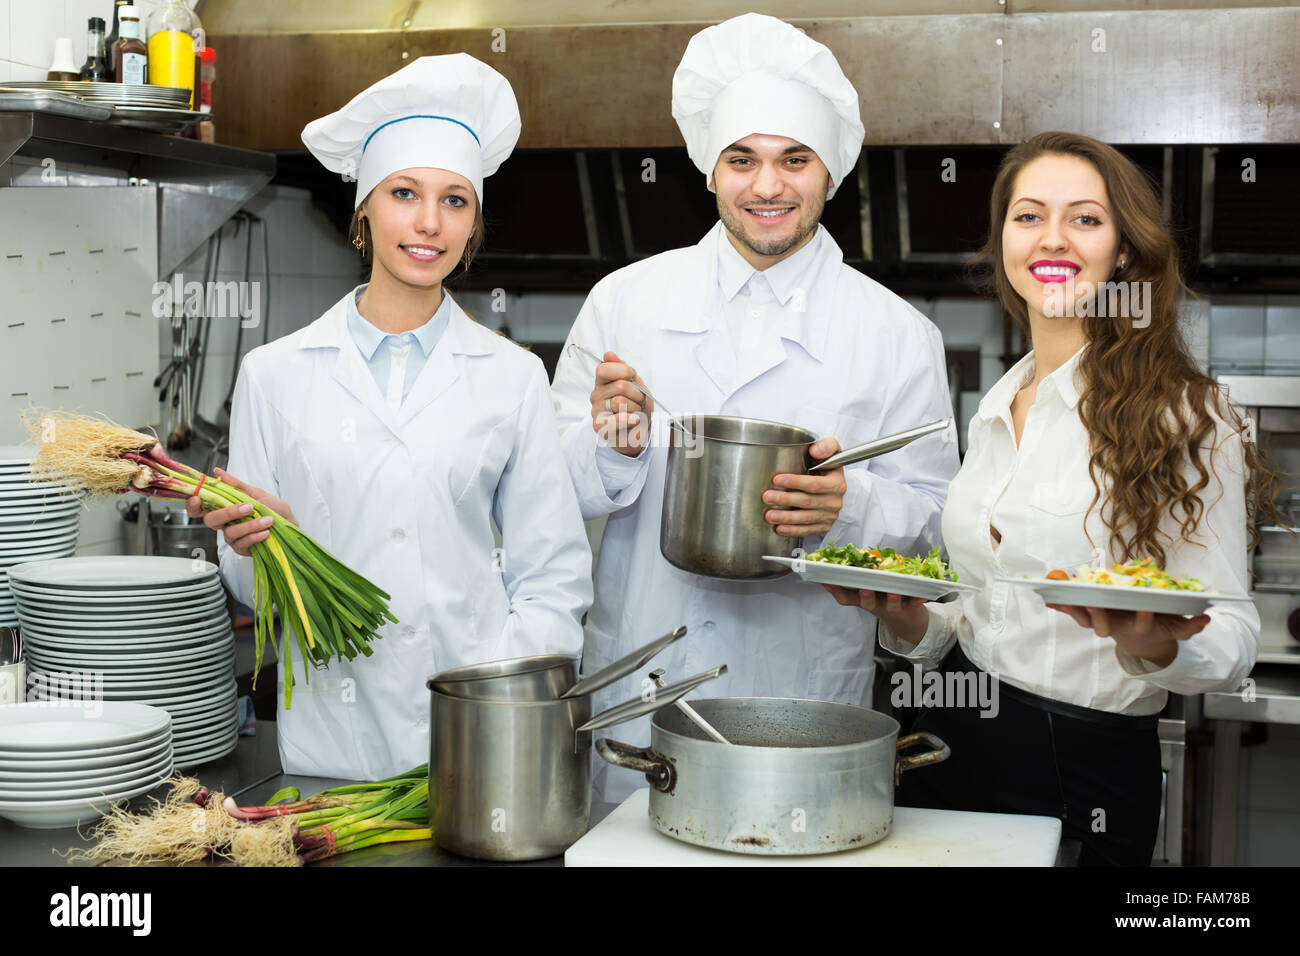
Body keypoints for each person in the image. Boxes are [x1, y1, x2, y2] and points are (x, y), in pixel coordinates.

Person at [823, 131, 1282, 865]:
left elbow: (1231, 637)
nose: (1053, 239)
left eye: (1086, 219)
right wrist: (912, 624)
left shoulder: (1187, 415)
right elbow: (984, 614)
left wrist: (1155, 643)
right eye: (1029, 216)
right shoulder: (1000, 401)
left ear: (1125, 251)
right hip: (949, 740)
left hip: (1083, 764)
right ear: (1004, 240)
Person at [551, 13, 960, 804]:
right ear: (710, 169)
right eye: (742, 159)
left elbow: (939, 532)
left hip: (803, 698)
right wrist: (616, 447)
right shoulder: (624, 303)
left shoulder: (899, 334)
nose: (767, 186)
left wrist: (851, 505)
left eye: (793, 160)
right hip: (643, 681)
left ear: (830, 173)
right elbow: (549, 491)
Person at [189, 54, 593, 780]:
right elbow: (247, 588)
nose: (429, 223)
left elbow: (552, 572)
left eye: (456, 200)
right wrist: (262, 550)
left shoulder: (513, 376)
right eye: (405, 193)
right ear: (365, 208)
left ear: (474, 224)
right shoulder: (275, 374)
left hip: (476, 741)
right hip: (331, 746)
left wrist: (503, 697)